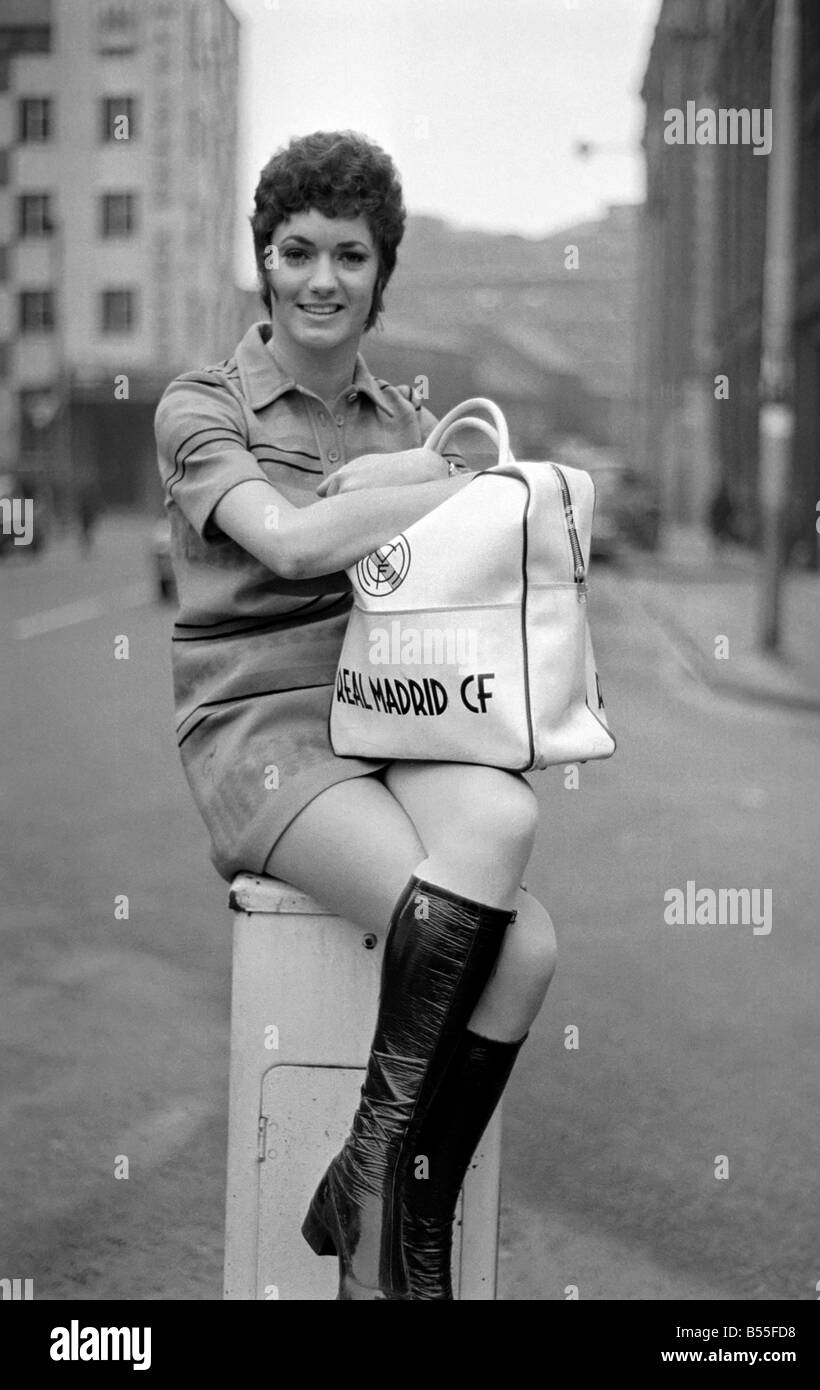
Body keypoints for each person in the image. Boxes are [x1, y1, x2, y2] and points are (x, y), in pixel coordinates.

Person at [155, 130, 558, 1301]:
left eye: (349, 254)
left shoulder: (403, 423)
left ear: (384, 275)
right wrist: (442, 485)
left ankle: (381, 1188)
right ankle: (390, 1240)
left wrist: (411, 479)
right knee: (493, 938)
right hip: (258, 730)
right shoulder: (202, 403)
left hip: (383, 712)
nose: (320, 278)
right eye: (296, 252)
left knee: (527, 935)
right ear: (263, 262)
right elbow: (282, 539)